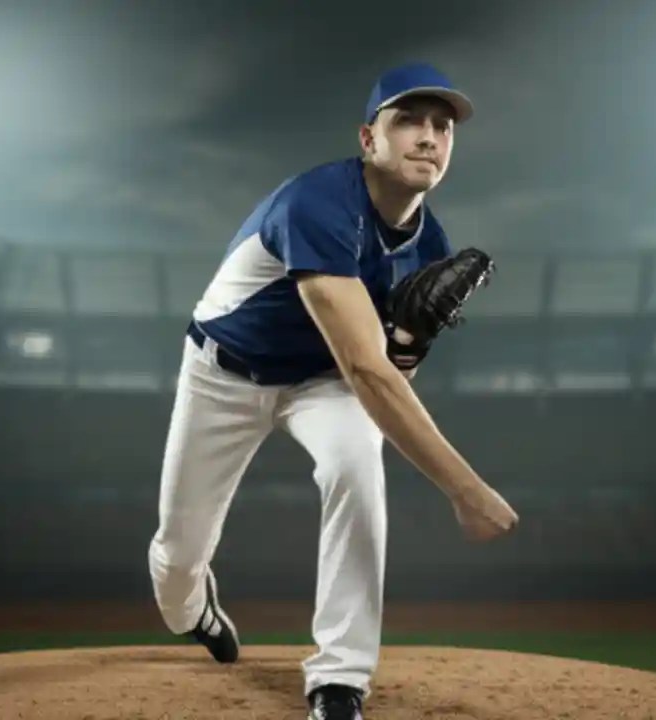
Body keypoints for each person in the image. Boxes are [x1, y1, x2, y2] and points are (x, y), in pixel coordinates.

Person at [147, 62, 518, 720]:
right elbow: (369, 371)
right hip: (224, 373)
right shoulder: (315, 203)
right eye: (408, 120)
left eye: (442, 126)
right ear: (368, 138)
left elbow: (388, 377)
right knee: (178, 557)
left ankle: (339, 679)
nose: (429, 136)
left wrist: (408, 345)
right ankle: (192, 609)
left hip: (323, 383)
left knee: (356, 464)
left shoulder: (430, 243)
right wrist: (466, 488)